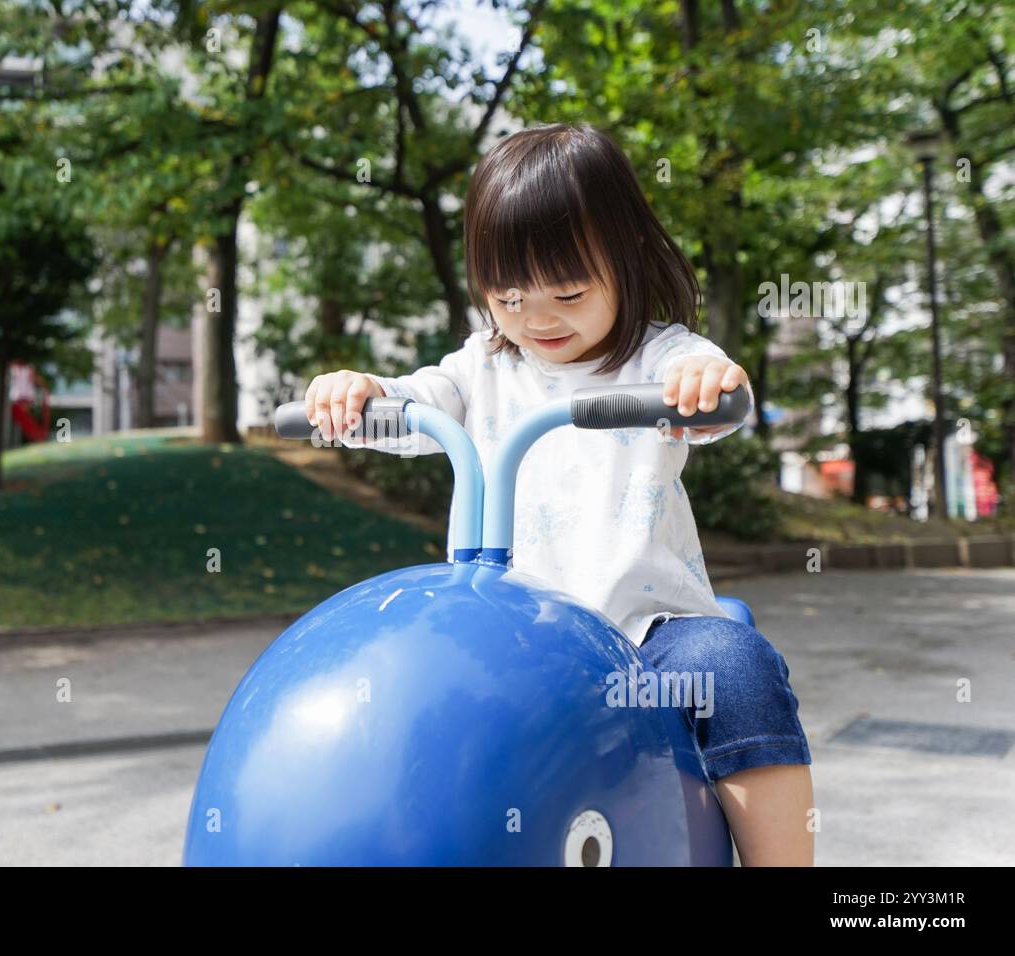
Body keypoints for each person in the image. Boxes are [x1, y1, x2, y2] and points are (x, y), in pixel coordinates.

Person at [301, 123, 814, 866]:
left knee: (732, 668)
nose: (537, 319)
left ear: (627, 260)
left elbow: (713, 384)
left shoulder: (658, 356)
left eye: (568, 292)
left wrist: (708, 387)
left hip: (640, 636)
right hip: (502, 635)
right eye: (508, 295)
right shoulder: (483, 365)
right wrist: (360, 395)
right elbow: (416, 405)